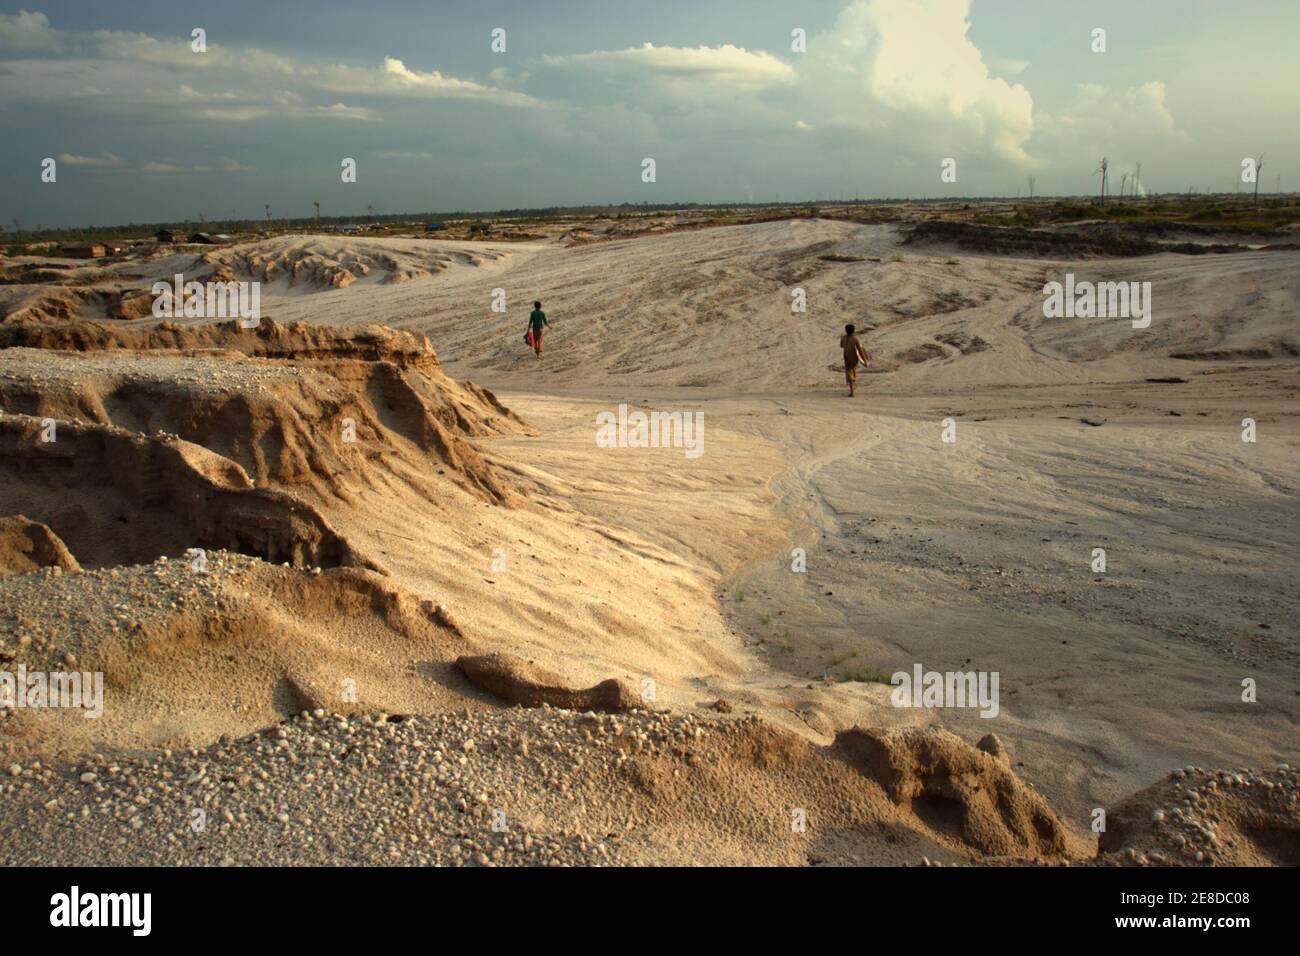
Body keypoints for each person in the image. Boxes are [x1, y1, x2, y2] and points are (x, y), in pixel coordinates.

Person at [839, 323, 870, 397]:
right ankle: (852, 385)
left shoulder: (843, 338)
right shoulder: (855, 339)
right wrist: (865, 360)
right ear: (853, 331)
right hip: (854, 359)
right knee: (852, 371)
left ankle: (852, 391)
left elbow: (841, 346)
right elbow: (860, 350)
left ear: (846, 330)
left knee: (849, 373)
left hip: (847, 358)